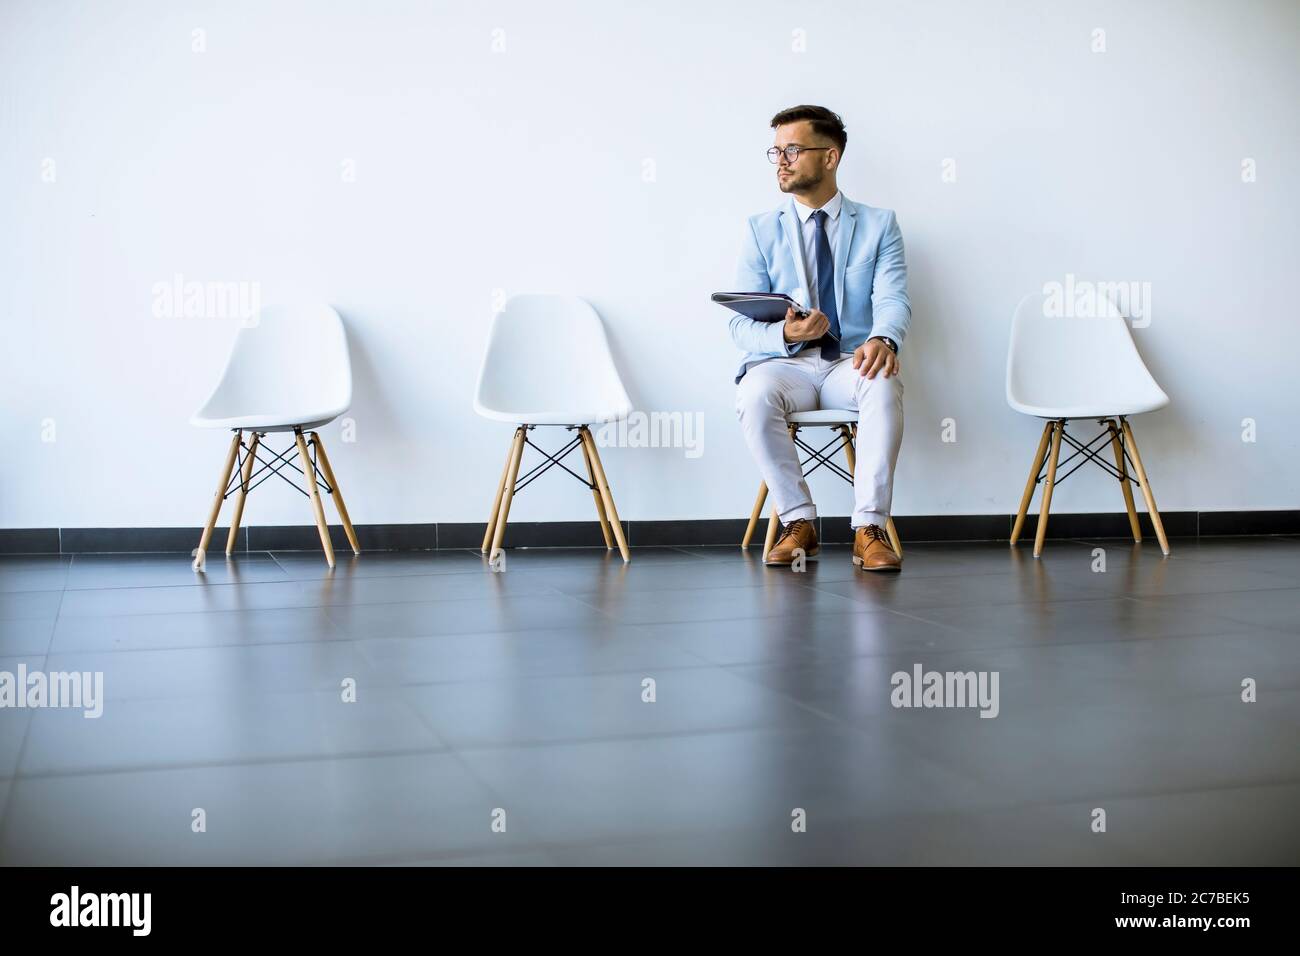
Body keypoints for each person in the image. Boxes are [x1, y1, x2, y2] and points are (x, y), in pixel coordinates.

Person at [731, 105, 910, 571]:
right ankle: (798, 521)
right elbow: (738, 325)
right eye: (776, 151)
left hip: (848, 361)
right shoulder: (760, 229)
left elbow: (893, 299)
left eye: (792, 149)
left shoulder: (878, 224)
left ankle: (869, 528)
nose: (781, 161)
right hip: (785, 366)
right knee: (752, 394)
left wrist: (884, 339)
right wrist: (785, 333)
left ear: (830, 157)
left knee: (883, 381)